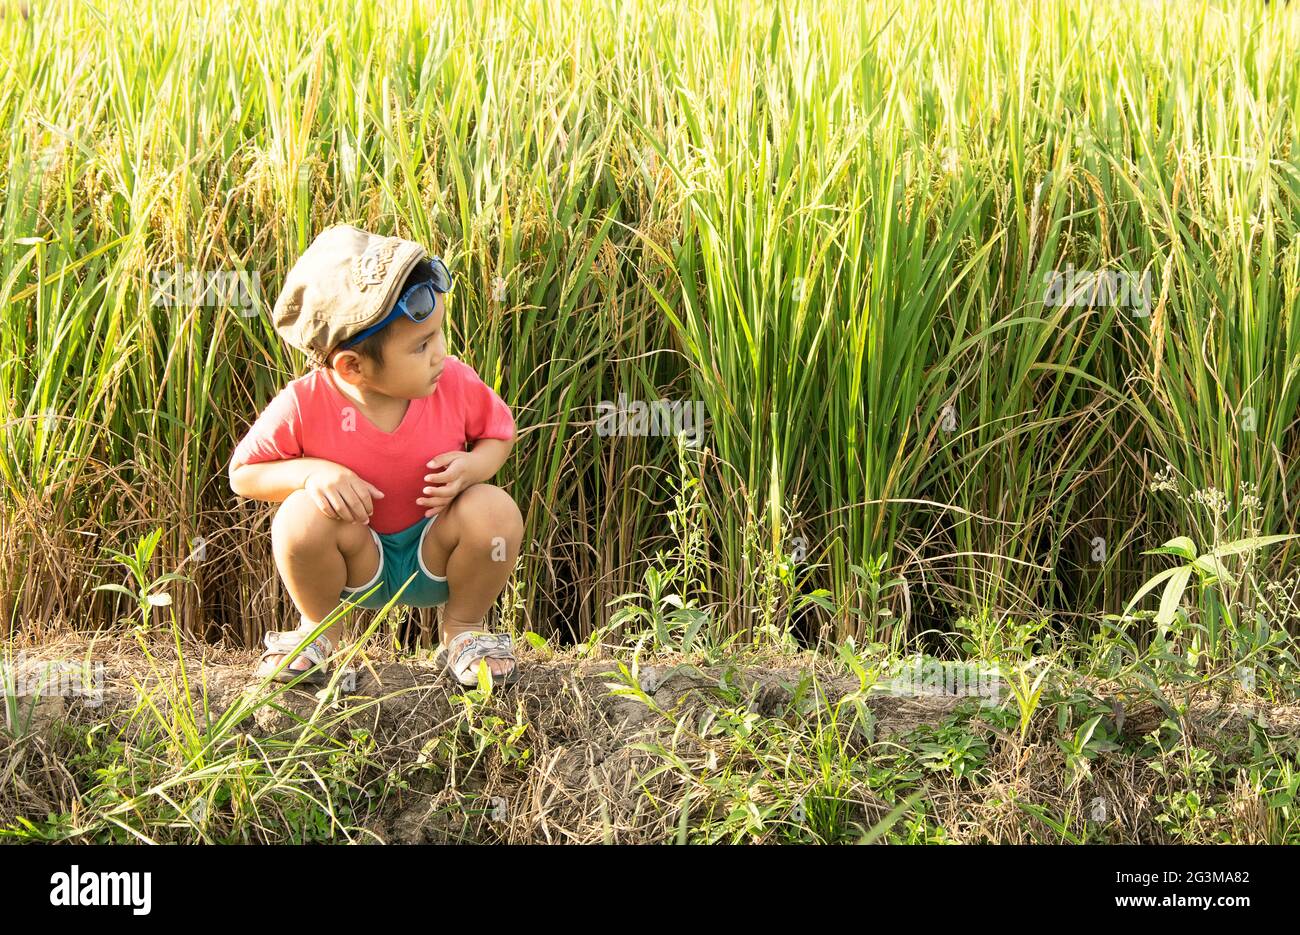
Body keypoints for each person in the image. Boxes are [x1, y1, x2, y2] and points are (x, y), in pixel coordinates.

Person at [228, 224, 523, 687]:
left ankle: (465, 630)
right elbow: (243, 474)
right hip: (355, 558)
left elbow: (499, 435)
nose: (440, 354)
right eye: (421, 345)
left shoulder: (454, 383)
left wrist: (474, 467)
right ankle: (321, 634)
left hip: (436, 548)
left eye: (439, 334)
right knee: (298, 517)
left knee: (495, 511)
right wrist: (312, 474)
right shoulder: (304, 403)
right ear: (353, 366)